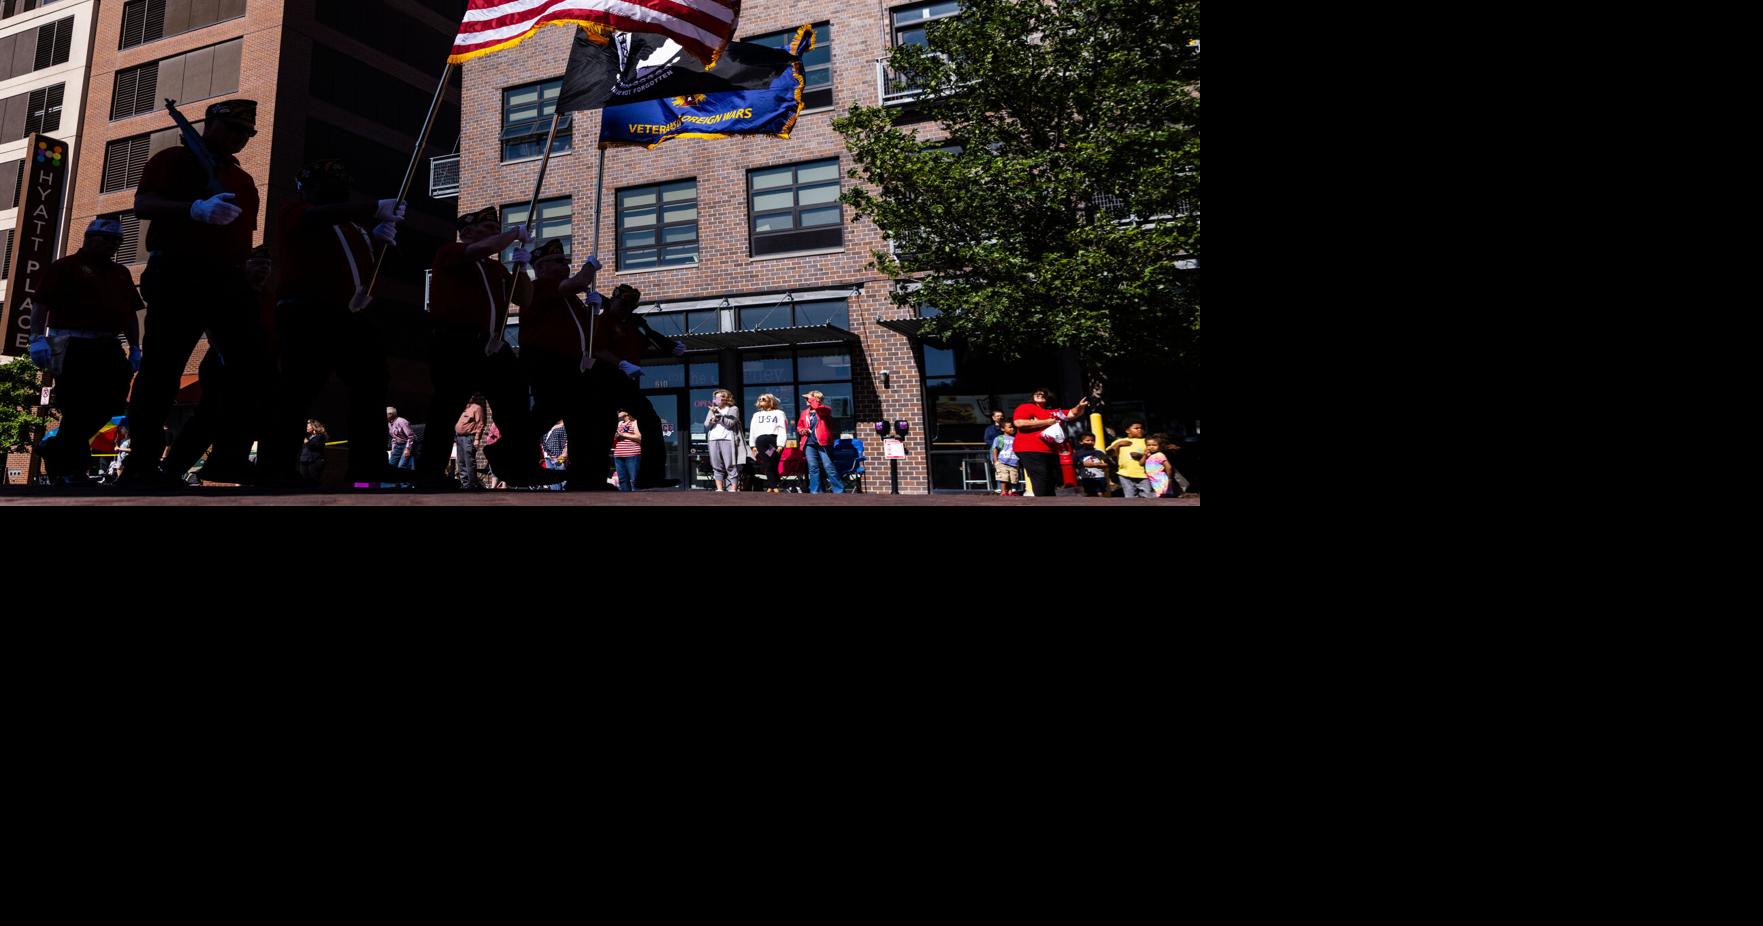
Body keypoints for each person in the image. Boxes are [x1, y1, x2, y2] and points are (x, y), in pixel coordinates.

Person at [119, 99, 269, 489]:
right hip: (179, 270)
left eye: (245, 133)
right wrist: (193, 209)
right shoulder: (176, 159)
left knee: (253, 367)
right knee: (163, 370)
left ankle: (228, 458)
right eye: (232, 129)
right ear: (210, 125)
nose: (239, 138)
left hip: (227, 277)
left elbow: (242, 234)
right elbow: (143, 204)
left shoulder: (243, 179)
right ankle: (142, 463)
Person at [259, 158, 405, 487]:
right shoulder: (296, 210)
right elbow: (314, 219)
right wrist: (372, 208)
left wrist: (379, 239)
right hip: (307, 313)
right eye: (327, 182)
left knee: (371, 385)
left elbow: (357, 267)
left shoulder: (352, 226)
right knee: (297, 389)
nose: (338, 189)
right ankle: (276, 467)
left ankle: (367, 467)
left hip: (350, 313)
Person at [414, 205, 540, 489]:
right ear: (467, 233)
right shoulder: (451, 253)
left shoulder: (495, 267)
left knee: (515, 401)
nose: (494, 236)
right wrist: (510, 235)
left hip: (491, 342)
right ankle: (429, 473)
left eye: (497, 230)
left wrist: (522, 267)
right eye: (487, 230)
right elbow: (479, 249)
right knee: (447, 406)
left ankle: (518, 465)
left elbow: (524, 299)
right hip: (455, 340)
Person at [25, 216, 142, 488]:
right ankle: (73, 469)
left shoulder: (120, 273)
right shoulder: (64, 267)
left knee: (112, 402)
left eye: (118, 241)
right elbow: (40, 305)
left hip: (107, 344)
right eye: (108, 239)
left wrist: (135, 347)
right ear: (90, 238)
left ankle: (56, 448)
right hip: (68, 342)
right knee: (76, 406)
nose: (113, 245)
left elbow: (130, 315)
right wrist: (35, 338)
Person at [586, 282, 686, 489]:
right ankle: (592, 479)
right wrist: (621, 363)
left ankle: (649, 475)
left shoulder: (633, 323)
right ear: (613, 301)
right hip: (603, 379)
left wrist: (670, 346)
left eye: (629, 306)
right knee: (602, 428)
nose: (625, 309)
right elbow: (597, 349)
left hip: (625, 381)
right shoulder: (601, 321)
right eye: (622, 304)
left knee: (650, 421)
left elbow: (649, 337)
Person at [518, 241, 602, 490]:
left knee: (580, 418)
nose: (565, 266)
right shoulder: (540, 286)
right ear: (541, 267)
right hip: (546, 359)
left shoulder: (571, 299)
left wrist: (594, 312)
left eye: (565, 262)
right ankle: (512, 451)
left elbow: (590, 334)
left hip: (572, 363)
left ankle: (582, 477)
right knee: (549, 409)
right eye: (558, 262)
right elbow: (577, 282)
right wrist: (589, 267)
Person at [1012, 387, 1088, 498]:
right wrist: (1047, 422)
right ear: (1032, 396)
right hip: (1029, 449)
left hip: (1050, 451)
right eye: (1037, 394)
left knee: (1051, 479)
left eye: (1043, 394)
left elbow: (1073, 414)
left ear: (1048, 398)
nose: (1040, 395)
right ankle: (1043, 502)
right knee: (1041, 477)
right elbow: (1019, 423)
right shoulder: (1026, 407)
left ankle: (1050, 502)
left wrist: (1080, 406)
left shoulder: (1055, 412)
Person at [795, 389, 843, 494]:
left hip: (823, 442)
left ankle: (839, 491)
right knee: (813, 467)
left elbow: (818, 408)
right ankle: (815, 491)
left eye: (808, 398)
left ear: (815, 399)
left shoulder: (825, 410)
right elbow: (799, 426)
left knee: (828, 466)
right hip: (809, 443)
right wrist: (802, 430)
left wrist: (814, 399)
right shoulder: (804, 413)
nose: (806, 400)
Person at [704, 388, 744, 491]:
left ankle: (733, 489)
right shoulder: (712, 409)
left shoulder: (733, 409)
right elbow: (706, 424)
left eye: (719, 397)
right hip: (713, 439)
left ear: (726, 398)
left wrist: (718, 414)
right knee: (716, 465)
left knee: (730, 464)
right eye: (715, 397)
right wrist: (712, 421)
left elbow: (730, 423)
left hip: (727, 439)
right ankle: (719, 489)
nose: (716, 399)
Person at [748, 393, 788, 492]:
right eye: (760, 399)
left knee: (773, 461)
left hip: (773, 441)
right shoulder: (756, 415)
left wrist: (781, 444)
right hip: (761, 442)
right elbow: (753, 429)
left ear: (771, 401)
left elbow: (782, 429)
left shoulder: (779, 413)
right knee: (767, 462)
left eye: (764, 399)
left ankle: (774, 483)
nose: (761, 400)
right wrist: (752, 445)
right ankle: (773, 485)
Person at [1106, 421, 1151, 498]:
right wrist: (1118, 444)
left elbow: (1154, 456)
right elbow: (1108, 454)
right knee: (1130, 497)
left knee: (1148, 496)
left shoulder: (1146, 441)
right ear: (1127, 431)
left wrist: (1140, 455)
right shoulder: (1120, 441)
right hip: (1125, 475)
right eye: (1136, 428)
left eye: (1141, 428)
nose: (1139, 430)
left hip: (1144, 475)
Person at [453, 393, 488, 489]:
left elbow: (480, 424)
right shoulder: (463, 409)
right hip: (459, 438)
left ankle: (473, 485)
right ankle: (465, 484)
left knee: (469, 461)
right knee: (461, 462)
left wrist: (477, 439)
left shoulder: (477, 408)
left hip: (469, 438)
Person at [612, 408, 642, 491]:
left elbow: (639, 437)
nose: (618, 411)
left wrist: (623, 435)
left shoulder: (635, 422)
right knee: (622, 480)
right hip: (618, 455)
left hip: (632, 455)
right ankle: (626, 500)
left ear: (627, 412)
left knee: (634, 480)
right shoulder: (620, 423)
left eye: (620, 410)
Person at [1074, 432, 1112, 497]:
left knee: (1100, 494)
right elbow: (1075, 464)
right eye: (1087, 440)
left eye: (1092, 440)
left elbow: (1108, 464)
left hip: (1099, 477)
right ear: (1081, 442)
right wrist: (1083, 464)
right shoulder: (1078, 453)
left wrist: (1097, 465)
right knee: (1090, 494)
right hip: (1086, 477)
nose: (1090, 442)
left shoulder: (1098, 452)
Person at [980, 408, 1006, 493]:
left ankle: (1013, 487)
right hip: (995, 451)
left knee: (1010, 468)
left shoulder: (1007, 426)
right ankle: (999, 488)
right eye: (997, 416)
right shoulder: (989, 429)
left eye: (1001, 416)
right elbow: (987, 440)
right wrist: (997, 444)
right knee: (998, 469)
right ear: (993, 418)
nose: (1000, 418)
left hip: (1007, 450)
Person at [991, 421, 1020, 496]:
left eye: (1013, 427)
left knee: (1012, 478)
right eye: (1010, 427)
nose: (1012, 429)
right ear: (1003, 429)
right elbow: (995, 449)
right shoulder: (999, 438)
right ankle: (1003, 492)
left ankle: (1010, 492)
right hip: (1002, 461)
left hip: (1014, 462)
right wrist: (996, 461)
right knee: (1003, 477)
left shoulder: (1016, 438)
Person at [1144, 433, 1176, 498]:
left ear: (1160, 446)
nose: (1151, 447)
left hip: (1160, 480)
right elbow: (1141, 463)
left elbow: (1168, 467)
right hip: (1153, 479)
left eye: (1154, 445)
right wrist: (1144, 455)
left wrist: (1169, 478)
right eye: (1148, 445)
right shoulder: (1149, 455)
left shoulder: (1160, 455)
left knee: (1161, 497)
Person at [387, 407, 416, 475]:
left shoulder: (402, 421)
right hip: (398, 445)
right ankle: (394, 483)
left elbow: (411, 436)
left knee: (401, 466)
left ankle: (404, 483)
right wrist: (393, 448)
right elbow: (394, 437)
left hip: (408, 444)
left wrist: (408, 449)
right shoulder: (389, 423)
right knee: (391, 464)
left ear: (390, 414)